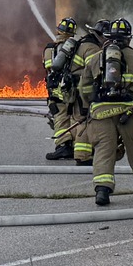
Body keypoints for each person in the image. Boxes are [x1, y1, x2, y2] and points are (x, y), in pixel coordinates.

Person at [79, 18, 133, 206]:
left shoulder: (95, 59)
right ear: (128, 39)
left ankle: (102, 190)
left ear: (108, 37)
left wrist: (89, 106)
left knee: (103, 149)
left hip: (100, 114)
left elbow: (83, 88)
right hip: (128, 113)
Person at [40, 17, 93, 160]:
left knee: (60, 117)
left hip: (57, 90)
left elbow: (49, 68)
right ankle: (78, 147)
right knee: (76, 118)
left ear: (58, 30)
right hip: (73, 89)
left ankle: (63, 147)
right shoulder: (76, 47)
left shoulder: (50, 49)